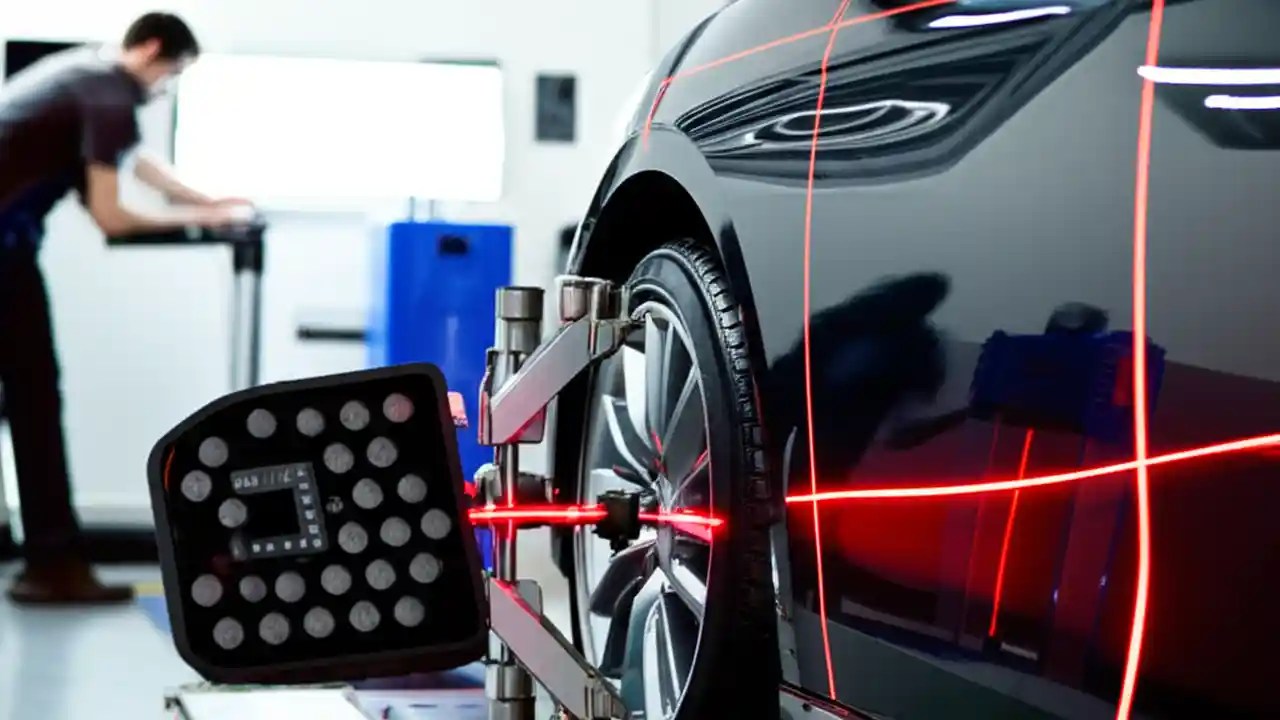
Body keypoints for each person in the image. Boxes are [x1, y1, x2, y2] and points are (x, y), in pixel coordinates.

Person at [0, 12, 251, 604]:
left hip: (8, 249)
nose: (164, 87)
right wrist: (204, 218)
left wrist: (210, 200)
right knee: (35, 397)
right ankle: (52, 565)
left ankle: (50, 559)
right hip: (4, 254)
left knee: (30, 396)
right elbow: (111, 215)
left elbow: (137, 162)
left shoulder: (83, 74)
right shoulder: (109, 91)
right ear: (153, 49)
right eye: (171, 73)